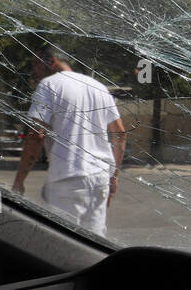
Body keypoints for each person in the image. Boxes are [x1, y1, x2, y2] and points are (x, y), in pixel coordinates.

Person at [13, 45, 126, 236]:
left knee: (63, 243)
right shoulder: (98, 87)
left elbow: (36, 135)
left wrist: (19, 182)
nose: (33, 70)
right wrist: (113, 178)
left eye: (36, 64)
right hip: (99, 179)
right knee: (93, 242)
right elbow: (120, 134)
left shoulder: (49, 85)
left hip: (67, 179)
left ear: (52, 62)